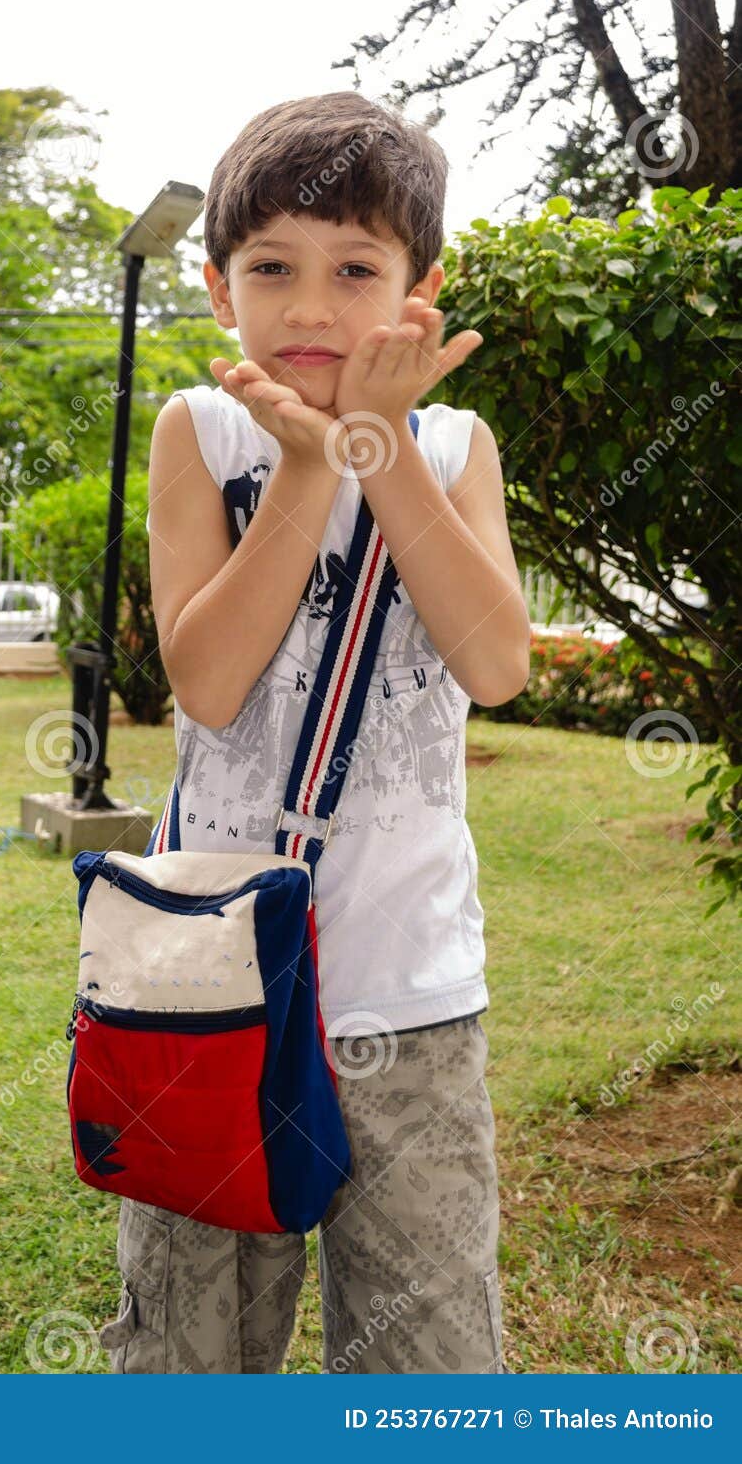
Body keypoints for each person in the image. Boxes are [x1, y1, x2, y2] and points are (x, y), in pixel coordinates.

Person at [98, 92, 530, 1374]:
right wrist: (302, 468)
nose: (309, 307)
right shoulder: (202, 432)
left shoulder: (453, 447)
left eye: (355, 269)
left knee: (431, 1359)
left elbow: (497, 662)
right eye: (270, 268)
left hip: (410, 994)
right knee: (191, 1352)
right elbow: (211, 682)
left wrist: (373, 446)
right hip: (206, 981)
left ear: (418, 292)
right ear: (219, 287)